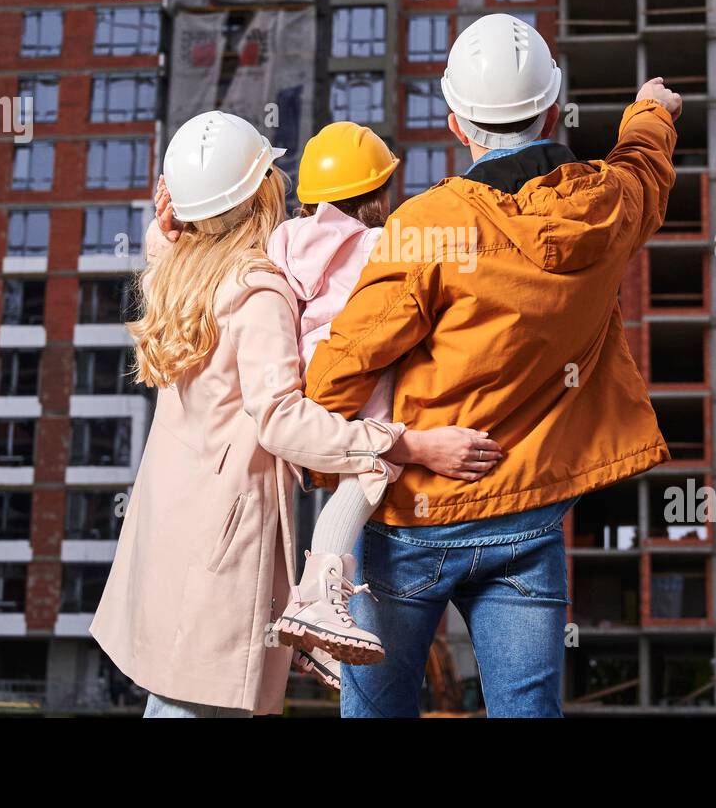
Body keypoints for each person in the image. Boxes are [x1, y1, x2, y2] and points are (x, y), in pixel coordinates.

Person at [304, 13, 682, 717]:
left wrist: (329, 453)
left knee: (377, 710)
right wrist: (652, 112)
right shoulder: (606, 209)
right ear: (549, 108)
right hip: (529, 518)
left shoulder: (427, 225)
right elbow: (645, 170)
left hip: (414, 516)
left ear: (456, 122)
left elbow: (345, 366)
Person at [90, 110, 501, 718]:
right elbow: (281, 421)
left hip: (169, 529)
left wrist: (169, 225)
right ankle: (315, 604)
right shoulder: (259, 292)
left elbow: (167, 245)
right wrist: (406, 446)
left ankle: (310, 611)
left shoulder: (178, 269)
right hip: (223, 545)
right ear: (265, 190)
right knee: (196, 702)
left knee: (173, 693)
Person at [264, 121, 503, 690]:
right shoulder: (379, 242)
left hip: (308, 381)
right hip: (357, 367)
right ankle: (320, 597)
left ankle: (319, 633)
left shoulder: (282, 242)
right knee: (375, 466)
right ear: (376, 193)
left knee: (355, 472)